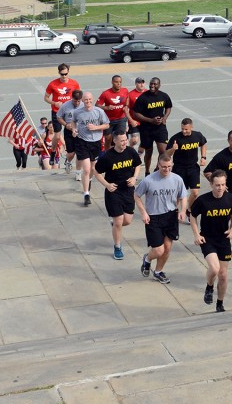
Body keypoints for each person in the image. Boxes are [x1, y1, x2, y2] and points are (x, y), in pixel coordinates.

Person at [190, 170, 232, 312]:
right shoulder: (203, 200)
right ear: (211, 184)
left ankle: (220, 303)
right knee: (214, 268)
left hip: (223, 239)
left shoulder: (231, 199)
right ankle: (209, 286)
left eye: (223, 185)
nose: (220, 188)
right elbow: (193, 216)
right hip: (208, 239)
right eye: (217, 185)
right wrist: (196, 235)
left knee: (223, 275)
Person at [134, 152, 188, 284]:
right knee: (158, 250)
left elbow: (183, 196)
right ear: (158, 165)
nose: (166, 169)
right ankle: (147, 259)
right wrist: (143, 213)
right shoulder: (148, 180)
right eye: (164, 166)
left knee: (167, 248)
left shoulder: (177, 179)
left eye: (169, 166)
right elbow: (136, 195)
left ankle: (158, 272)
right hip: (154, 217)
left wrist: (183, 210)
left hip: (170, 216)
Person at [95, 132, 143, 260]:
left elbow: (138, 164)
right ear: (114, 141)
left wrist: (134, 177)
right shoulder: (107, 156)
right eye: (121, 141)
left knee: (127, 220)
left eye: (125, 140)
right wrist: (107, 185)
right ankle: (117, 246)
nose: (124, 143)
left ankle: (116, 225)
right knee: (119, 221)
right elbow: (97, 172)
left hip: (128, 190)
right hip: (114, 192)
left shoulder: (131, 152)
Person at [73, 91, 111, 207]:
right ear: (82, 101)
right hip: (82, 142)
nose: (88, 102)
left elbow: (107, 124)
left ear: (92, 100)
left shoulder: (99, 111)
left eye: (89, 100)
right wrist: (74, 130)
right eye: (85, 100)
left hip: (96, 142)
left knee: (93, 168)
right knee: (86, 169)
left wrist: (96, 127)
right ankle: (86, 194)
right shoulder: (78, 112)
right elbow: (73, 121)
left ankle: (88, 181)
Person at [133, 77, 173, 172]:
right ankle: (147, 171)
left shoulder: (164, 96)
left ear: (159, 85)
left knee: (163, 152)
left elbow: (168, 107)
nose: (152, 86)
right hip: (146, 129)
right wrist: (151, 120)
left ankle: (157, 169)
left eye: (155, 84)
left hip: (160, 128)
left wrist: (164, 118)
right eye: (151, 84)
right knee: (148, 152)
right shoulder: (143, 97)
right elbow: (136, 113)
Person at [166, 118, 208, 207]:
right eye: (182, 129)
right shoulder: (176, 138)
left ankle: (189, 209)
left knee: (195, 192)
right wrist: (173, 149)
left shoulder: (198, 135)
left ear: (191, 127)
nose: (184, 131)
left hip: (193, 168)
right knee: (178, 194)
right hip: (179, 169)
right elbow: (166, 154)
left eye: (186, 129)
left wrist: (203, 157)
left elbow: (203, 143)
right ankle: (174, 212)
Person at [44, 63, 80, 164]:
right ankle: (53, 152)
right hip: (57, 111)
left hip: (70, 112)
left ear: (68, 72)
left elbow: (78, 97)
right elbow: (46, 98)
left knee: (73, 131)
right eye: (62, 74)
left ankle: (71, 153)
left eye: (65, 74)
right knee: (57, 135)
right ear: (59, 73)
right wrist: (54, 103)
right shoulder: (53, 84)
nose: (64, 76)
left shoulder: (74, 83)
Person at [57, 90, 83, 173]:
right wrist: (65, 124)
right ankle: (68, 162)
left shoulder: (84, 105)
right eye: (75, 101)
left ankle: (78, 173)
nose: (77, 103)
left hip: (80, 131)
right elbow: (59, 117)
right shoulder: (65, 106)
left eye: (79, 101)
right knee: (71, 153)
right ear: (72, 98)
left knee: (80, 153)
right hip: (69, 131)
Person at [97, 75, 130, 139]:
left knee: (121, 137)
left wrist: (126, 105)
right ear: (112, 82)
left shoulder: (125, 90)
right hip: (109, 120)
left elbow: (127, 97)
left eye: (120, 82)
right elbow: (97, 105)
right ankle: (108, 149)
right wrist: (106, 108)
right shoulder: (105, 93)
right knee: (108, 138)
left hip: (121, 119)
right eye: (116, 82)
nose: (119, 84)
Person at [125, 77, 146, 149]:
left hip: (146, 121)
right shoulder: (130, 95)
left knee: (145, 142)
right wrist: (131, 120)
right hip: (135, 121)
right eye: (139, 83)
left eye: (142, 82)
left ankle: (139, 155)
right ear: (136, 84)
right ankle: (130, 149)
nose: (141, 84)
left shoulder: (148, 93)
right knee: (135, 140)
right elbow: (126, 109)